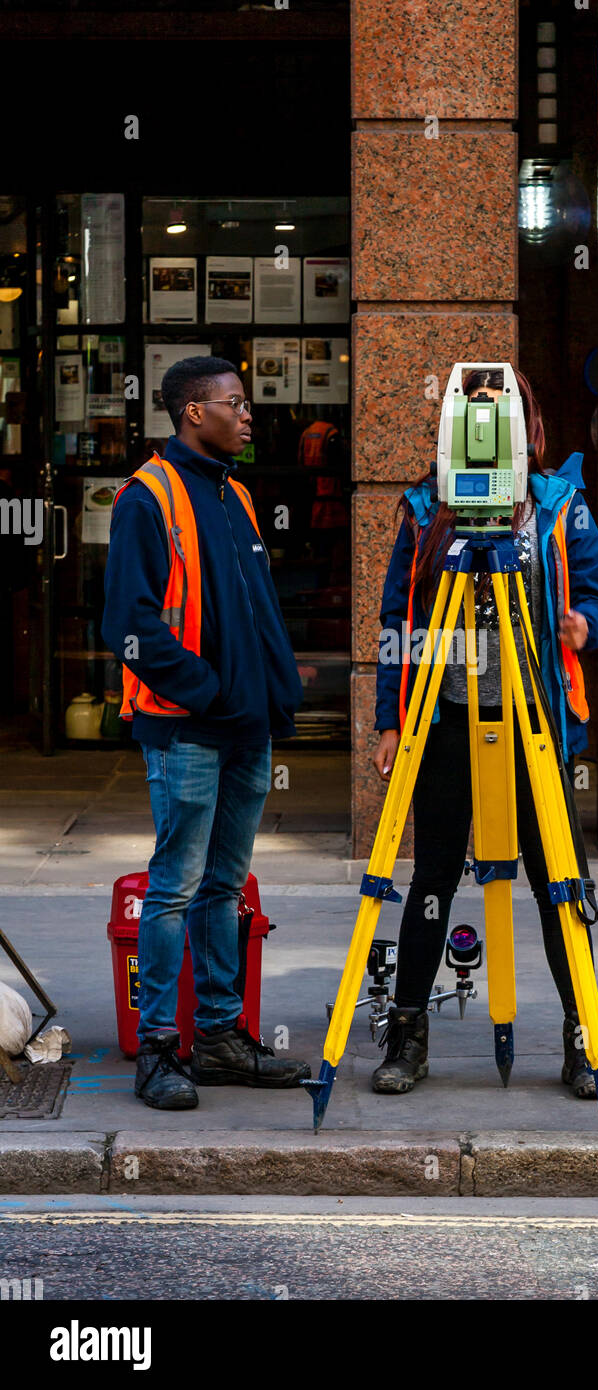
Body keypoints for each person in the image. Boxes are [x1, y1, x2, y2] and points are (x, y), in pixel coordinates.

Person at [371, 367, 598, 1098]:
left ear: (524, 424)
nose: (483, 432)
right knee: (434, 882)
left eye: (495, 416)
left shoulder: (559, 506)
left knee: (557, 887)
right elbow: (400, 622)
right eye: (471, 416)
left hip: (534, 725)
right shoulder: (424, 511)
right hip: (445, 722)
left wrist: (583, 627)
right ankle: (407, 1035)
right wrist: (390, 720)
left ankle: (583, 1038)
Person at [102, 356, 310, 1109]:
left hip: (245, 726)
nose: (248, 414)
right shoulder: (145, 498)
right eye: (235, 403)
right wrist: (207, 691)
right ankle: (158, 1049)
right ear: (194, 412)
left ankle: (219, 1037)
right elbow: (128, 625)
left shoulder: (237, 495)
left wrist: (273, 688)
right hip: (188, 726)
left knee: (222, 886)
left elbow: (254, 609)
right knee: (174, 888)